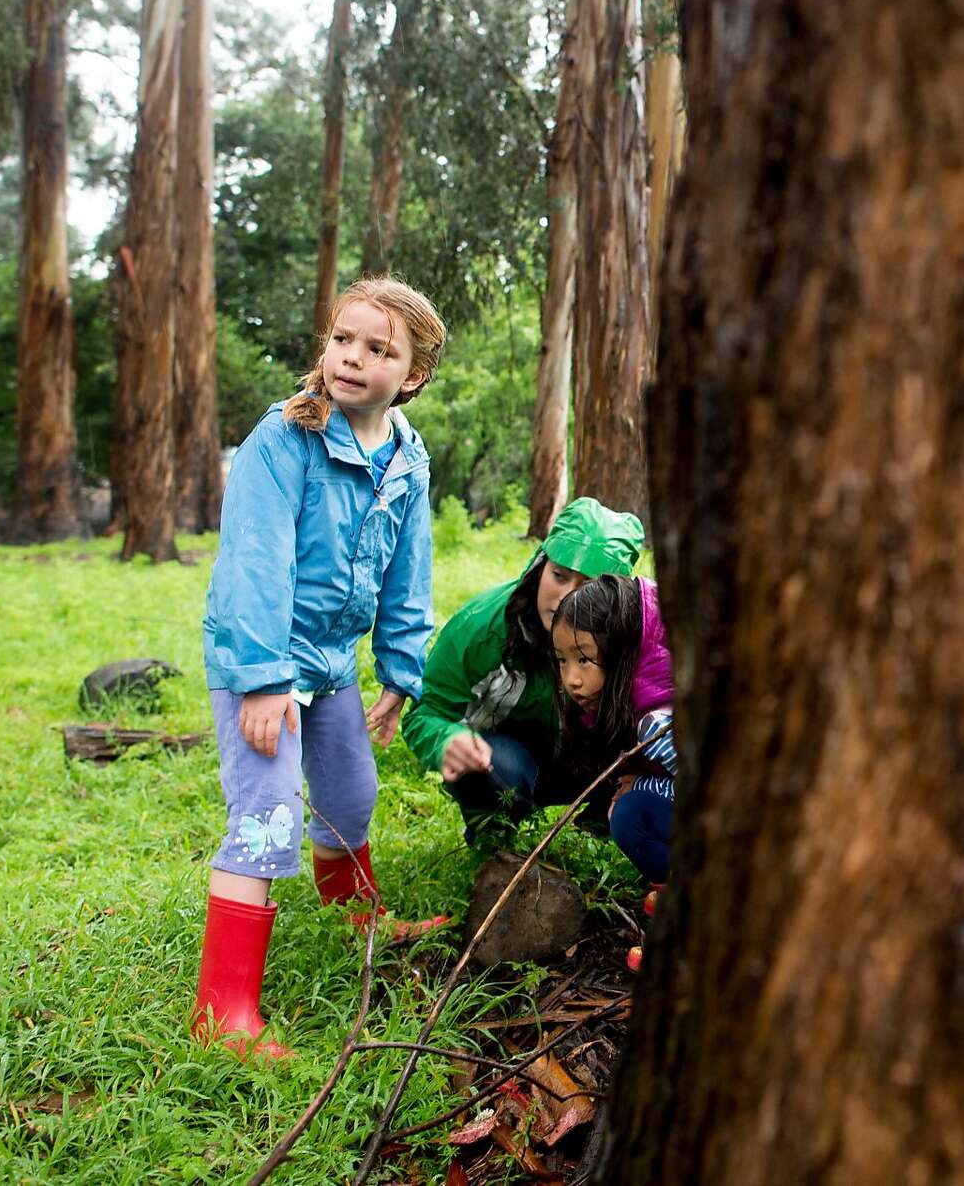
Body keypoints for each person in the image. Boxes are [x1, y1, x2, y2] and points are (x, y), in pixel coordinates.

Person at [191, 278, 449, 1061]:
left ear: (412, 376)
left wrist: (403, 673)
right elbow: (254, 564)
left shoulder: (406, 457)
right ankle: (222, 1012)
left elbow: (410, 570)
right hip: (262, 660)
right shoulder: (285, 439)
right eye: (344, 339)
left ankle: (354, 916)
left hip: (331, 664)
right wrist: (265, 681)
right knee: (266, 815)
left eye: (379, 349)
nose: (352, 358)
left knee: (351, 795)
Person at [400, 498, 652, 843]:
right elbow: (424, 714)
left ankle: (611, 831)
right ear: (540, 565)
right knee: (497, 764)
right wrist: (447, 739)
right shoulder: (482, 627)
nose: (565, 597)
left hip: (595, 758)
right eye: (559, 576)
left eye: (587, 586)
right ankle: (494, 842)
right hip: (514, 760)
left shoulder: (644, 640)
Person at [549, 574, 679, 969]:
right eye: (563, 660)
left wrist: (648, 783)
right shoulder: (649, 695)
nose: (571, 678)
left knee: (631, 813)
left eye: (584, 658)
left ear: (621, 650)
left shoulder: (657, 724)